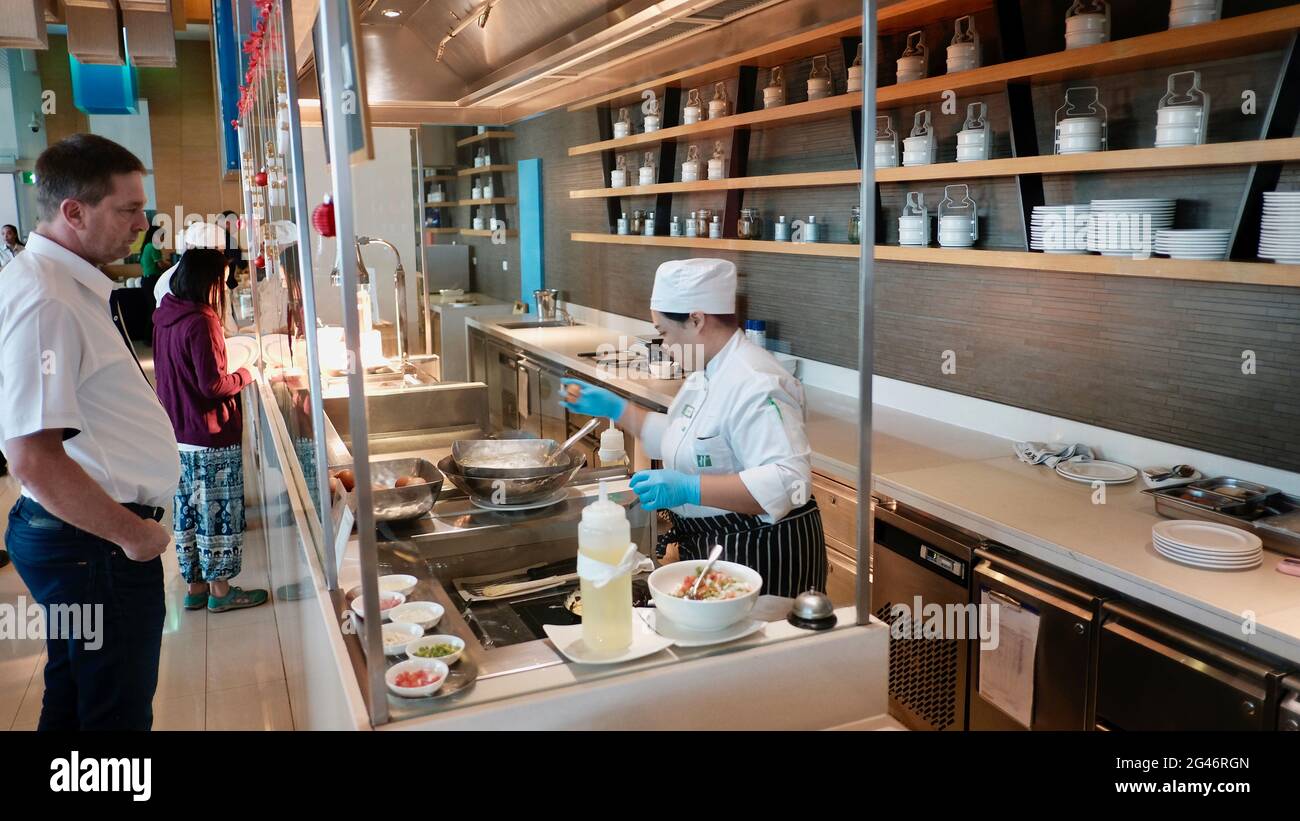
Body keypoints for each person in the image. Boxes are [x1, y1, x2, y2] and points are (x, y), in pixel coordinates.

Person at [0, 134, 179, 731]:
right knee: (114, 714)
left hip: (82, 543)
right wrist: (132, 536)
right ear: (73, 211)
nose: (142, 224)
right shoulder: (48, 300)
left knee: (76, 694)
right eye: (128, 209)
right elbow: (31, 457)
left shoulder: (63, 286)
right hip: (93, 548)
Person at [561, 258, 827, 598]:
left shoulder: (756, 382)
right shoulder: (705, 372)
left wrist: (690, 489)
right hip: (716, 547)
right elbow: (682, 439)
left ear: (696, 320)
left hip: (762, 553)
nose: (665, 346)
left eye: (664, 333)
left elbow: (788, 482)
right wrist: (618, 408)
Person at [153, 249, 267, 613]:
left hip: (179, 433)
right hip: (210, 433)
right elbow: (212, 386)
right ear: (210, 282)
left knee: (189, 511)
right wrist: (248, 374)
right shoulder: (202, 320)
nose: (227, 288)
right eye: (224, 280)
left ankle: (196, 586)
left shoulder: (165, 315)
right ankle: (221, 590)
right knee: (218, 511)